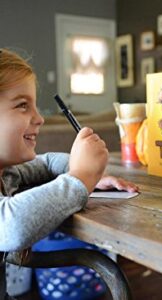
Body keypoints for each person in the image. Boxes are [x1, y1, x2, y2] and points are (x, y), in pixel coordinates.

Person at [0, 48, 138, 299]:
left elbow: (48, 163)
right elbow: (12, 226)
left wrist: (87, 173)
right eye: (22, 105)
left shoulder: (6, 173)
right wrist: (80, 178)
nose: (39, 118)